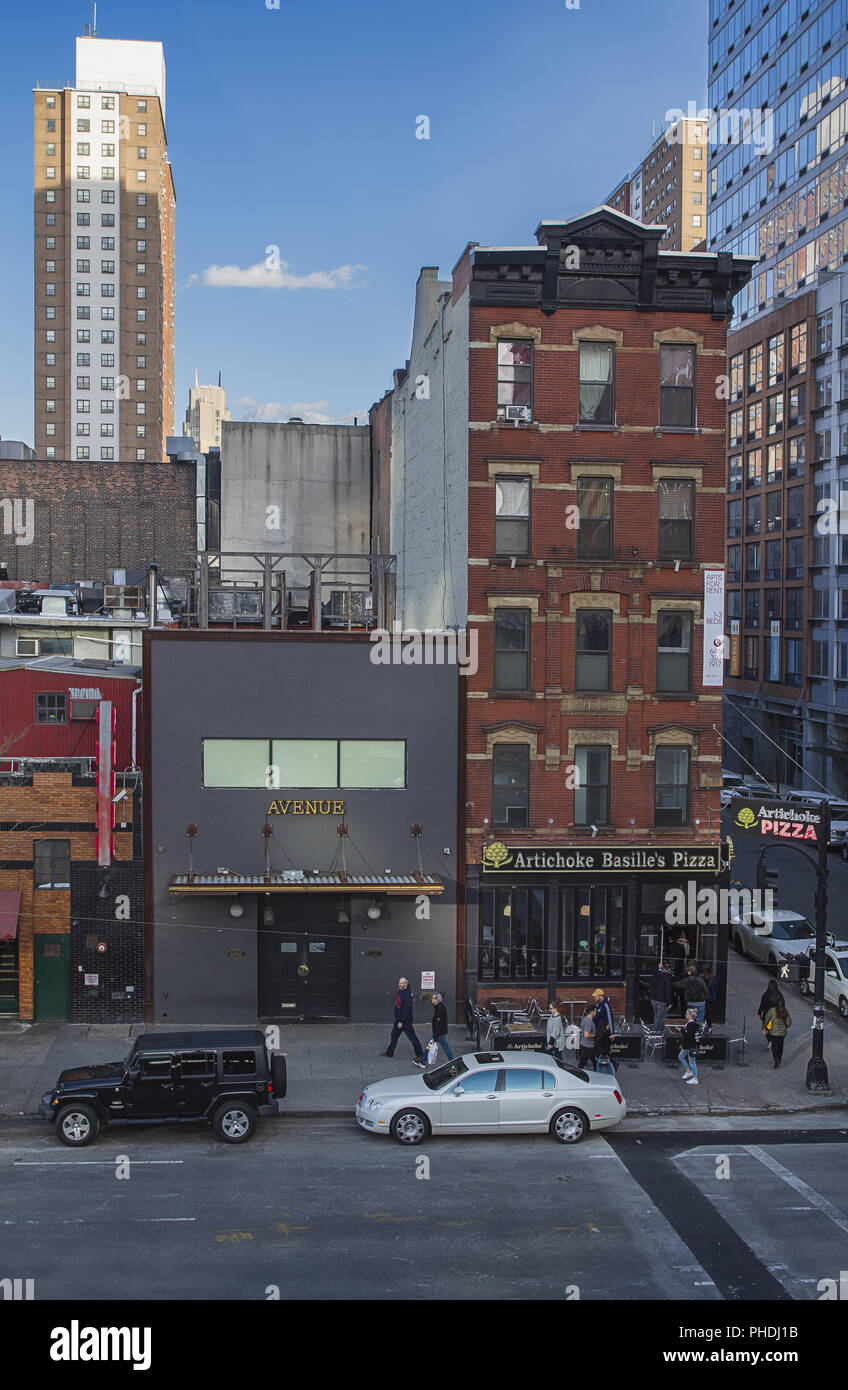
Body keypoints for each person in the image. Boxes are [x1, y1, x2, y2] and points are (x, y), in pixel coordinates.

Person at [380, 977, 426, 1067]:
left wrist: (401, 1021)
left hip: (405, 1021)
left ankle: (420, 1055)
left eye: (401, 983)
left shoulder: (407, 995)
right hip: (398, 1020)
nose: (399, 984)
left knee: (413, 1038)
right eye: (399, 983)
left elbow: (406, 1010)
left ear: (405, 984)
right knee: (394, 1036)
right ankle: (390, 1052)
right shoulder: (400, 991)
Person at [591, 988, 617, 1075]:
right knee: (599, 1054)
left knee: (603, 1055)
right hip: (600, 1032)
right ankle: (599, 1073)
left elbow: (610, 1019)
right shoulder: (598, 1004)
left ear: (600, 996)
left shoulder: (605, 1005)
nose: (594, 998)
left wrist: (612, 1033)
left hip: (605, 1034)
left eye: (595, 996)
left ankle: (610, 1070)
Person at [426, 992, 454, 1063]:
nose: (431, 999)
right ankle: (422, 1060)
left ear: (437, 1000)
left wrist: (435, 1037)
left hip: (439, 1033)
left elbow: (439, 1024)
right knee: (430, 1046)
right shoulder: (438, 1007)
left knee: (443, 1047)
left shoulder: (439, 1009)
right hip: (439, 1032)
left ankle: (453, 1061)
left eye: (433, 998)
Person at [764, 998, 791, 1068]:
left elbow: (767, 1019)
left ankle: (776, 1060)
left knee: (774, 1046)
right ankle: (779, 1058)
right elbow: (789, 1023)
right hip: (782, 1033)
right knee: (780, 1046)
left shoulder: (772, 1011)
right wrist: (784, 1026)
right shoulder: (785, 1012)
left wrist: (765, 1028)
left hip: (774, 1032)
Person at [648, 960, 673, 1033]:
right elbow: (668, 991)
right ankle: (656, 1032)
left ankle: (656, 1031)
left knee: (656, 1015)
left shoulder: (655, 975)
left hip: (653, 998)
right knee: (660, 1017)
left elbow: (650, 986)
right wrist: (670, 1002)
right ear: (668, 969)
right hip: (661, 1000)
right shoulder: (666, 978)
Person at [677, 1007, 700, 1085]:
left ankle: (695, 1078)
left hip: (690, 1046)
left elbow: (688, 1035)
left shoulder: (691, 1024)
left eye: (687, 1013)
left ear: (690, 1015)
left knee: (692, 1062)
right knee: (681, 1057)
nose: (685, 1014)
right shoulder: (690, 1023)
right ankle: (689, 1071)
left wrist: (682, 1030)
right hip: (687, 1046)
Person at [757, 979, 783, 1046]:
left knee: (766, 1029)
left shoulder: (766, 995)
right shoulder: (779, 994)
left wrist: (759, 1013)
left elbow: (762, 1005)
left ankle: (770, 1040)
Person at [577, 1005, 596, 1071]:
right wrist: (595, 1035)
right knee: (594, 1061)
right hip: (589, 1046)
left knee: (583, 1060)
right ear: (591, 1012)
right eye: (595, 1011)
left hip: (584, 1044)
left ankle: (577, 1072)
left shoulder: (585, 1019)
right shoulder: (588, 1022)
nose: (596, 1013)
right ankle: (598, 1074)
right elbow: (586, 1035)